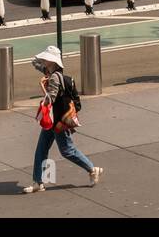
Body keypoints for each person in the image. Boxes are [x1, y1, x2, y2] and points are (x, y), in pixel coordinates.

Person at [22, 45, 102, 193]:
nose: (43, 61)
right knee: (41, 150)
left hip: (58, 121)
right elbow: (36, 64)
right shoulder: (54, 73)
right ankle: (38, 182)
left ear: (52, 61)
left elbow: (50, 99)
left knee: (67, 150)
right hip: (54, 120)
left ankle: (92, 169)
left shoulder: (54, 78)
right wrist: (40, 59)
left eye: (46, 59)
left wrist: (43, 89)